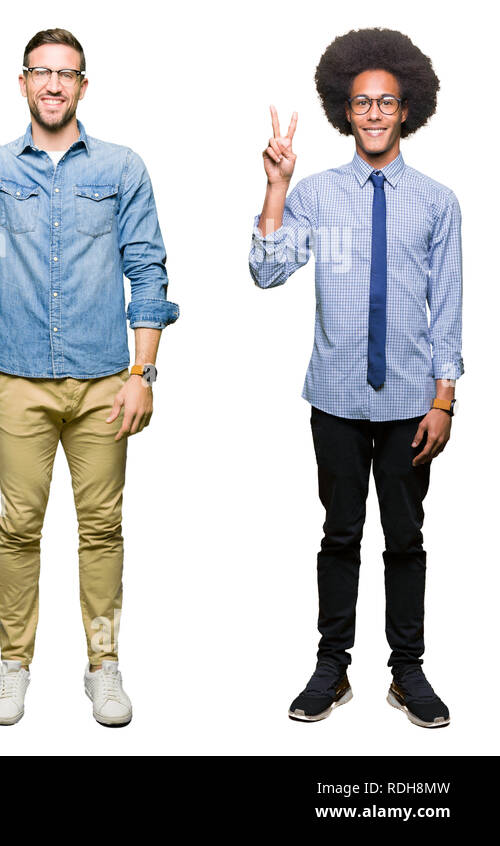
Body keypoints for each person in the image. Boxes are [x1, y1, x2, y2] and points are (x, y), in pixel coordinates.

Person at [0, 28, 178, 727]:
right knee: (19, 527)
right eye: (42, 72)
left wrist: (143, 370)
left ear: (84, 86)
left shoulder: (121, 167)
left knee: (102, 528)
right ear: (26, 82)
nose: (55, 84)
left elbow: (147, 271)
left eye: (68, 74)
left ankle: (103, 665)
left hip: (103, 385)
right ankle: (13, 665)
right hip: (21, 383)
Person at [249, 28, 459, 728]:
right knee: (340, 535)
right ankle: (332, 667)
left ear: (407, 110)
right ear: (346, 110)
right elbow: (268, 270)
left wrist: (444, 400)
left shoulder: (437, 202)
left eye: (386, 102)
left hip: (409, 402)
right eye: (360, 102)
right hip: (335, 400)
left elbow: (448, 305)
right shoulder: (314, 193)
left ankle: (408, 671)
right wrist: (275, 188)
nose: (372, 113)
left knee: (405, 539)